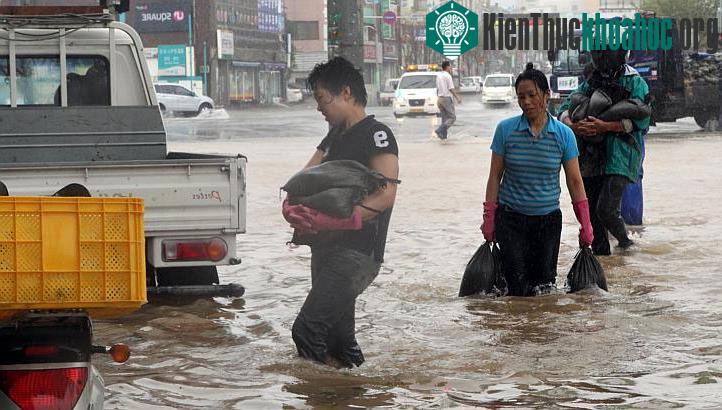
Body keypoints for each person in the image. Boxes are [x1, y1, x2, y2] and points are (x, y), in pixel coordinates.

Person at [281, 57, 400, 368]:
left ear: (345, 93)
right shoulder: (333, 136)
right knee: (339, 341)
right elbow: (305, 178)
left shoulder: (377, 134)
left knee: (307, 329)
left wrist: (342, 218)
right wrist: (290, 205)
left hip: (357, 253)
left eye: (322, 99)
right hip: (325, 249)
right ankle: (356, 394)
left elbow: (386, 193)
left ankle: (320, 396)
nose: (319, 108)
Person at [481, 63, 592, 297]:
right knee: (517, 289)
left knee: (543, 288)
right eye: (521, 97)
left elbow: (575, 182)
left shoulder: (564, 135)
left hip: (547, 223)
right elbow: (494, 176)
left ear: (546, 95)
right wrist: (489, 217)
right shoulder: (505, 130)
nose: (526, 102)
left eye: (532, 95)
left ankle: (539, 333)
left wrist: (586, 223)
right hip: (511, 220)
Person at [558, 47, 650, 254]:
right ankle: (602, 262)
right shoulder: (590, 82)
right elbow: (563, 108)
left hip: (622, 153)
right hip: (592, 155)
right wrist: (573, 125)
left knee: (605, 209)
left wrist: (605, 126)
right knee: (592, 213)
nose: (601, 57)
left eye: (605, 52)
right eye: (597, 53)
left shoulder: (635, 83)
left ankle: (626, 244)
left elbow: (641, 120)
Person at [434, 60, 462, 140]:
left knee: (444, 118)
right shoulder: (448, 76)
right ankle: (439, 130)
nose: (451, 68)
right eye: (450, 66)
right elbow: (451, 88)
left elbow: (437, 88)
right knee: (452, 118)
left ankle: (443, 137)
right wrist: (457, 97)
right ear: (447, 67)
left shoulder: (438, 76)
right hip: (446, 98)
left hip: (439, 99)